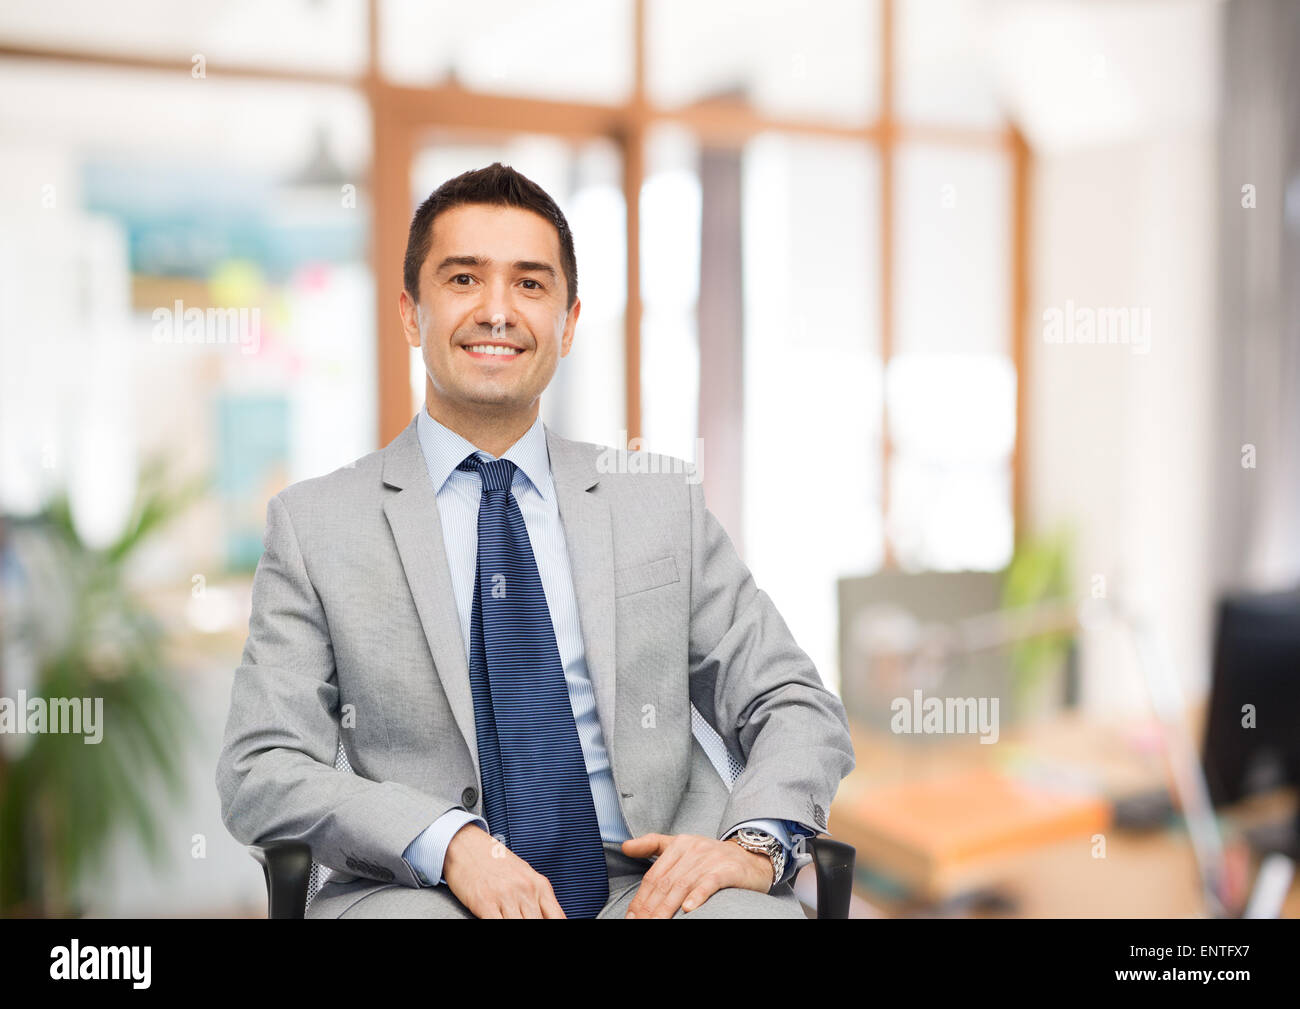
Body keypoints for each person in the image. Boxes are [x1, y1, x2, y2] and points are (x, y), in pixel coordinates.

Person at [216, 162, 855, 919]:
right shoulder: (317, 523)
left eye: (529, 283)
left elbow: (793, 700)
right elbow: (261, 765)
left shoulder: (658, 500)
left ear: (569, 321)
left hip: (648, 886)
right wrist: (447, 841)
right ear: (412, 313)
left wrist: (750, 846)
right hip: (426, 886)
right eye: (462, 279)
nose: (497, 311)